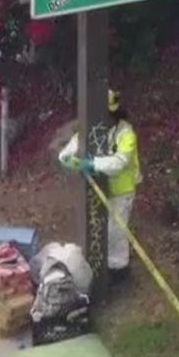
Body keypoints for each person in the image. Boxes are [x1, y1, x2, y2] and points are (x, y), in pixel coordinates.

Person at [57, 88, 141, 285]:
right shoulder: (91, 128)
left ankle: (120, 271)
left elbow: (119, 162)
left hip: (122, 189)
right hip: (98, 188)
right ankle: (101, 267)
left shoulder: (126, 133)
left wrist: (91, 164)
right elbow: (70, 149)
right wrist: (67, 159)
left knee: (116, 231)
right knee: (97, 229)